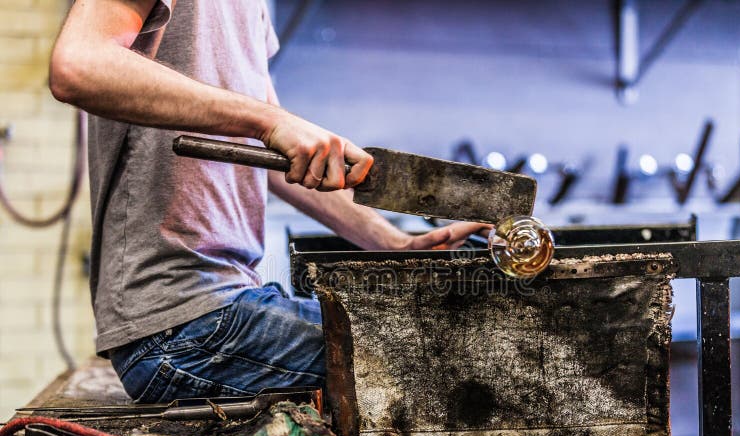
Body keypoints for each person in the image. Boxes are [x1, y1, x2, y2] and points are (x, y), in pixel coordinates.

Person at [49, 0, 484, 403]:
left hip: (230, 303)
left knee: (455, 346)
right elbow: (79, 65)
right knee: (444, 356)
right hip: (181, 327)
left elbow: (279, 158)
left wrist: (393, 242)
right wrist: (269, 121)